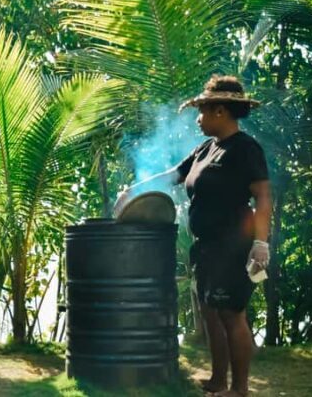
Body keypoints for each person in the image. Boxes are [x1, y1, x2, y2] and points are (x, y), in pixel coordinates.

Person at [115, 75, 271, 397]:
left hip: (234, 245)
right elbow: (173, 174)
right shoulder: (205, 149)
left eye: (202, 111)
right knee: (210, 313)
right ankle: (217, 380)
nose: (197, 118)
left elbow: (264, 197)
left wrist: (260, 244)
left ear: (220, 112)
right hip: (207, 247)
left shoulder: (245, 149)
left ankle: (239, 389)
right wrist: (134, 190)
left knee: (232, 314)